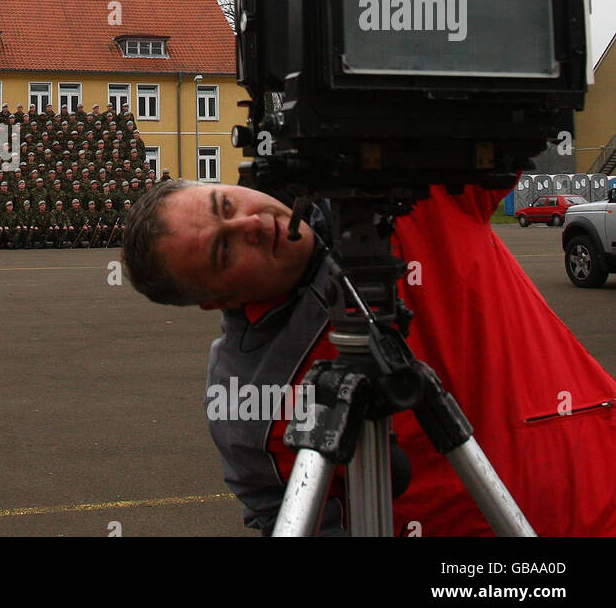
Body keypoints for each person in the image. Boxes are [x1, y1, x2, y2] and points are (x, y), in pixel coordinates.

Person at [121, 178, 616, 537]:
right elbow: (285, 515)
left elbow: (502, 118)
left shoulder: (408, 194)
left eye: (226, 203)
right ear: (215, 301)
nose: (252, 223)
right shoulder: (252, 398)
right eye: (223, 250)